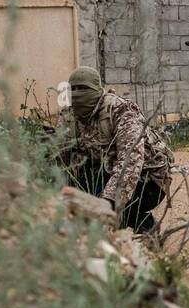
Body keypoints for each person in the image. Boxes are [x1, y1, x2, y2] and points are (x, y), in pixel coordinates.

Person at [61, 66, 174, 234]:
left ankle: (147, 227)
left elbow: (131, 160)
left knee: (118, 209)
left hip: (148, 178)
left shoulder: (120, 110)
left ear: (98, 90)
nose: (77, 94)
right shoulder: (70, 117)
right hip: (105, 171)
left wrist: (108, 202)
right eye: (73, 89)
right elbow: (62, 157)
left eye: (83, 88)